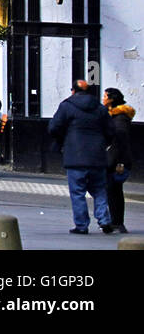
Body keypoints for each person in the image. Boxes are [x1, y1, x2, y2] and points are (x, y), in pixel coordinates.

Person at [48, 79, 113, 233]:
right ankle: (104, 219)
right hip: (97, 156)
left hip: (75, 156)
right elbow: (111, 131)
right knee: (99, 190)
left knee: (77, 192)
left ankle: (82, 225)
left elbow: (54, 128)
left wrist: (64, 139)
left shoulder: (67, 106)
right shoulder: (100, 108)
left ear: (73, 91)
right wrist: (102, 144)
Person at [104, 87, 134, 233]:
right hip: (116, 160)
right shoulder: (117, 117)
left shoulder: (119, 118)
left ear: (111, 99)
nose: (103, 99)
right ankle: (116, 221)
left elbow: (121, 141)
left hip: (117, 162)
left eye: (105, 97)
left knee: (113, 191)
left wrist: (119, 162)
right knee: (114, 191)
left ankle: (117, 221)